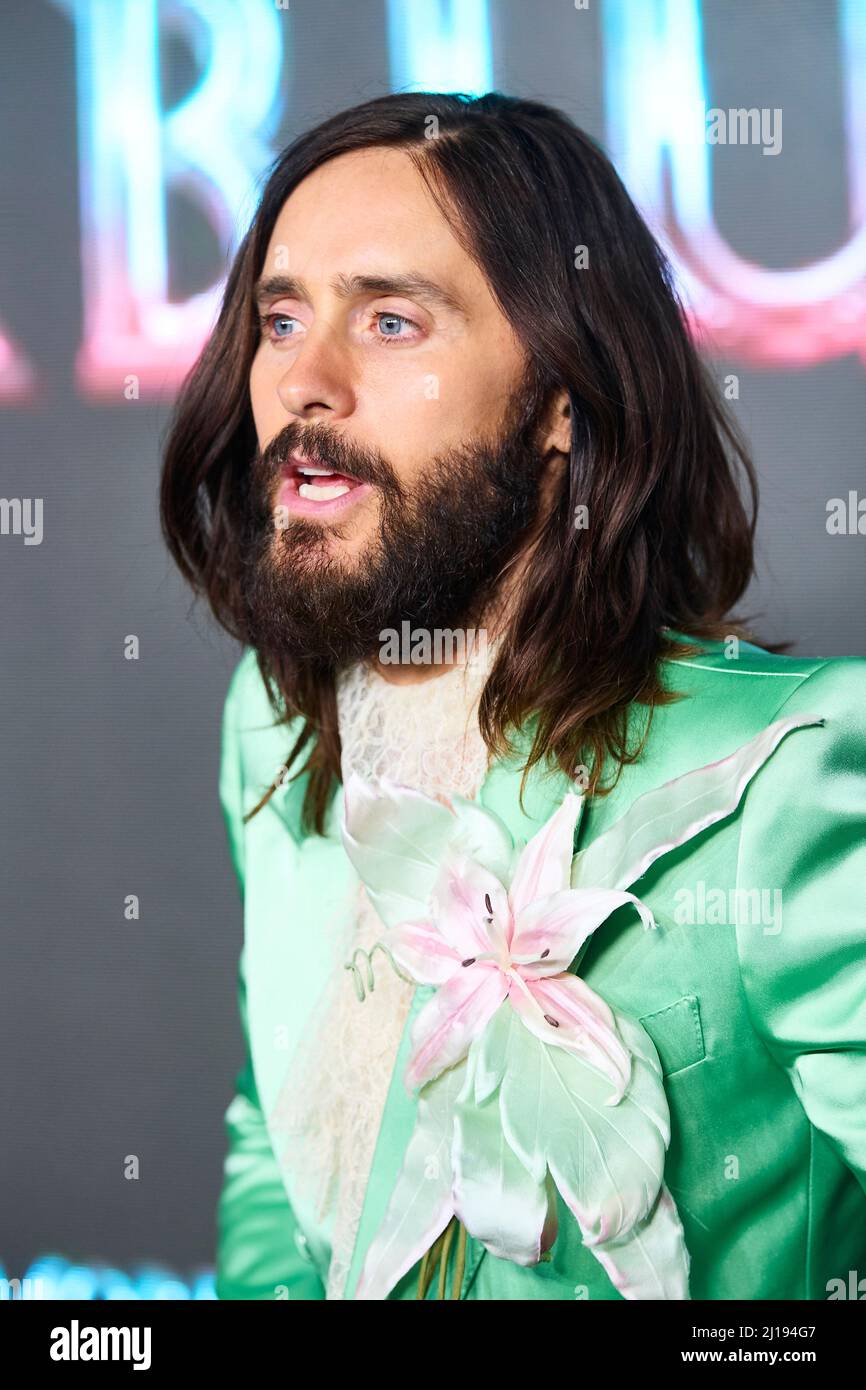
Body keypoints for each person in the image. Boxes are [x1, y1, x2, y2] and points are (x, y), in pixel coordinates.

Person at [160, 91, 866, 1301]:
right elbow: (275, 1137)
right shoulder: (268, 723)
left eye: (390, 321)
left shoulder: (792, 773)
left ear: (558, 400)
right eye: (280, 319)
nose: (303, 383)